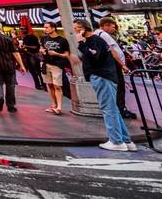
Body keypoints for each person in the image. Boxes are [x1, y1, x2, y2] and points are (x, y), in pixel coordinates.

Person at [74, 19, 136, 152]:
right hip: (106, 76)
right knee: (112, 109)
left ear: (82, 29)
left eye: (76, 29)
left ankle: (116, 141)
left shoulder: (94, 40)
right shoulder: (96, 40)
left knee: (108, 109)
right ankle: (125, 140)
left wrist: (80, 43)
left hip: (102, 76)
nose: (74, 32)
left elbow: (93, 56)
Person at [98, 17, 136, 120]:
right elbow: (113, 51)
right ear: (106, 25)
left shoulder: (98, 34)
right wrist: (123, 65)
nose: (114, 29)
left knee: (116, 87)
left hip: (108, 65)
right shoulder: (104, 35)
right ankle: (121, 109)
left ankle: (119, 109)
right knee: (120, 87)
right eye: (113, 27)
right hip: (114, 64)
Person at [40, 21, 70, 115]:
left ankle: (59, 107)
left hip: (57, 65)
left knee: (57, 85)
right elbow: (41, 47)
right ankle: (53, 105)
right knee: (49, 85)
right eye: (44, 27)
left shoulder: (62, 40)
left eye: (47, 27)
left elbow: (66, 54)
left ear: (53, 28)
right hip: (46, 64)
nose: (45, 29)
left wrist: (56, 53)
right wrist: (42, 50)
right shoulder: (44, 38)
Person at [20, 27, 46, 91]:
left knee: (37, 71)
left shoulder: (33, 37)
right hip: (28, 56)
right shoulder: (25, 37)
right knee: (33, 72)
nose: (22, 30)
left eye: (23, 29)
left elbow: (36, 47)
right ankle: (38, 85)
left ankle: (42, 85)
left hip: (33, 55)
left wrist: (25, 46)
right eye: (21, 29)